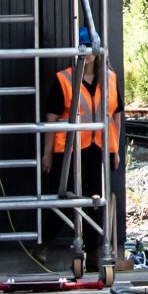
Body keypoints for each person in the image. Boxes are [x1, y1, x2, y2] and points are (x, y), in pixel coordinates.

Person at [46, 28, 122, 261]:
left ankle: (92, 253)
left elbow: (116, 114)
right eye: (81, 47)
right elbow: (50, 118)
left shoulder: (110, 78)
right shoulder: (64, 78)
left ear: (97, 50)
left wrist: (116, 149)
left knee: (95, 202)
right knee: (66, 199)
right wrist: (46, 153)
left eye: (89, 47)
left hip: (99, 149)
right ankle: (44, 244)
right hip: (70, 150)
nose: (86, 52)